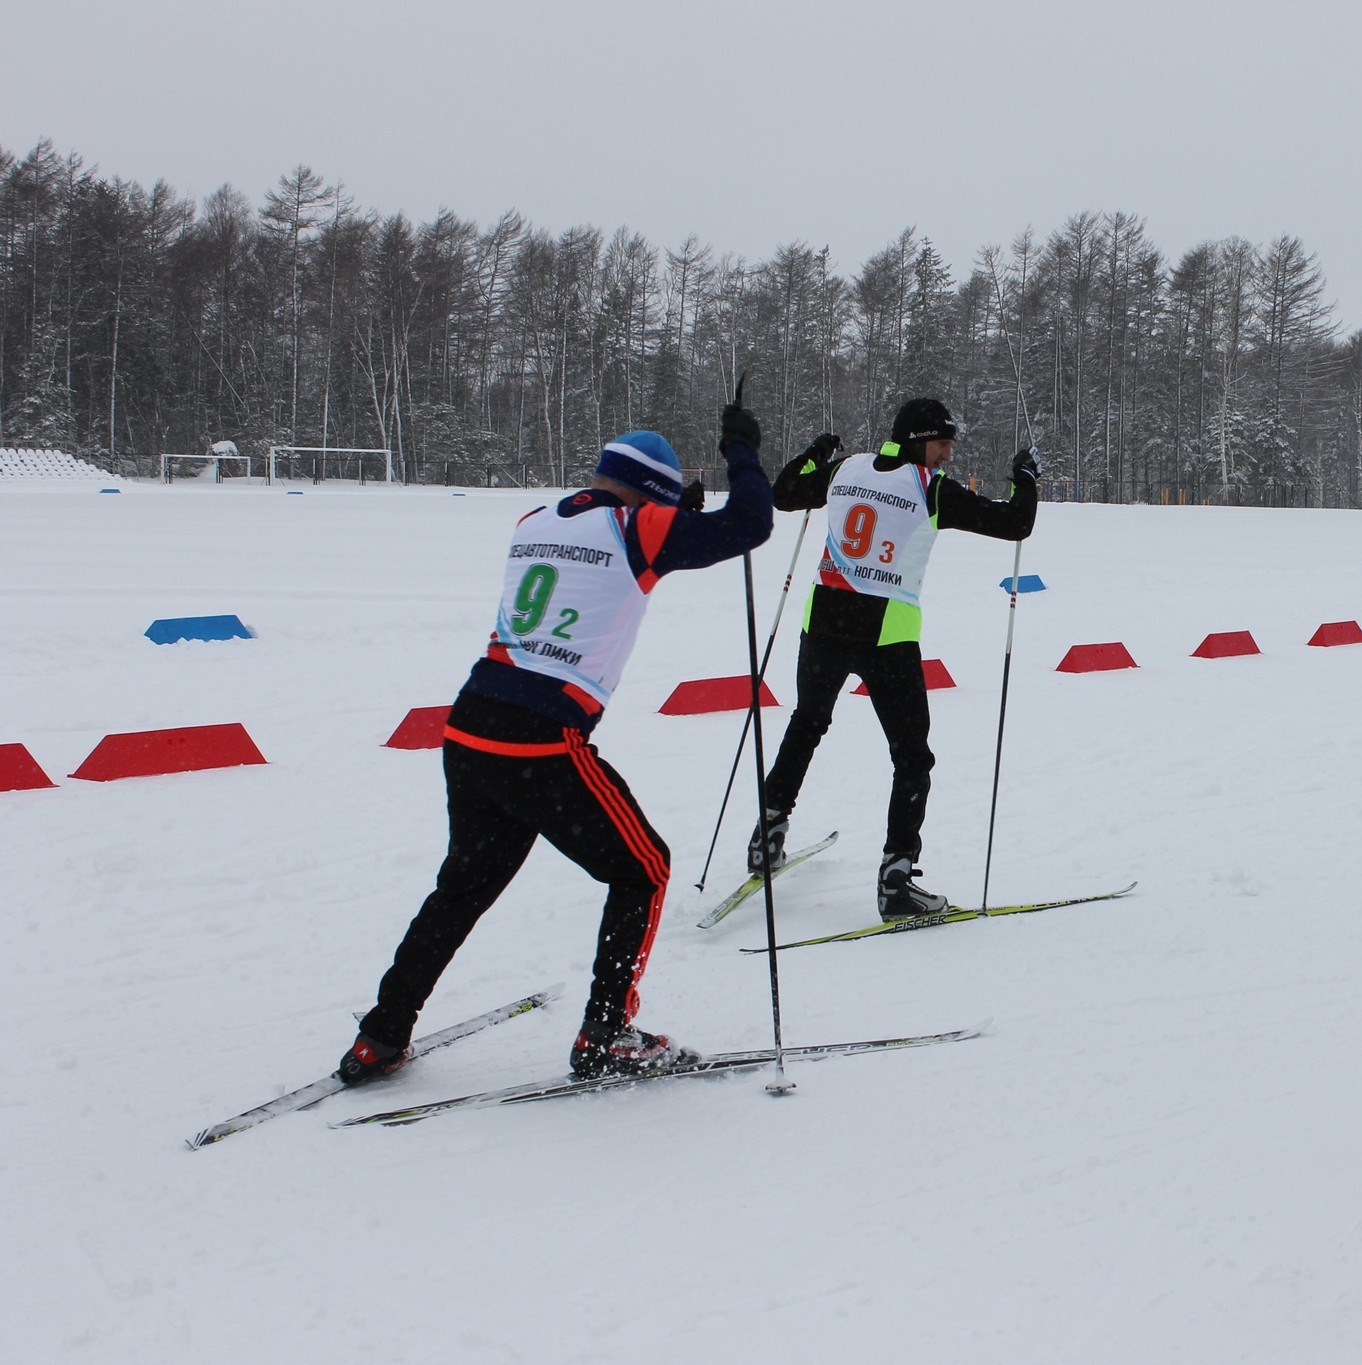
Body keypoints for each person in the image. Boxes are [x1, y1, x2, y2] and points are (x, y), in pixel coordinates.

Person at [341, 405, 773, 1084]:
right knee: (644, 868)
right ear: (652, 496)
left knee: (461, 888)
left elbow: (610, 542)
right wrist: (741, 453)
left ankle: (381, 1032)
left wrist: (672, 514)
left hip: (471, 725)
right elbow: (750, 525)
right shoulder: (642, 528)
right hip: (542, 739)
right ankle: (607, 1033)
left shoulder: (537, 519)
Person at [747, 397, 1039, 920]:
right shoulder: (928, 489)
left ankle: (766, 835)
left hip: (823, 625)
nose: (947, 454)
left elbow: (785, 493)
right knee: (912, 758)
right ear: (917, 440)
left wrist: (815, 453)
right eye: (942, 444)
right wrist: (1026, 480)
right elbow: (1015, 524)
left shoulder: (847, 468)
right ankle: (897, 881)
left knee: (806, 724)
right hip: (885, 636)